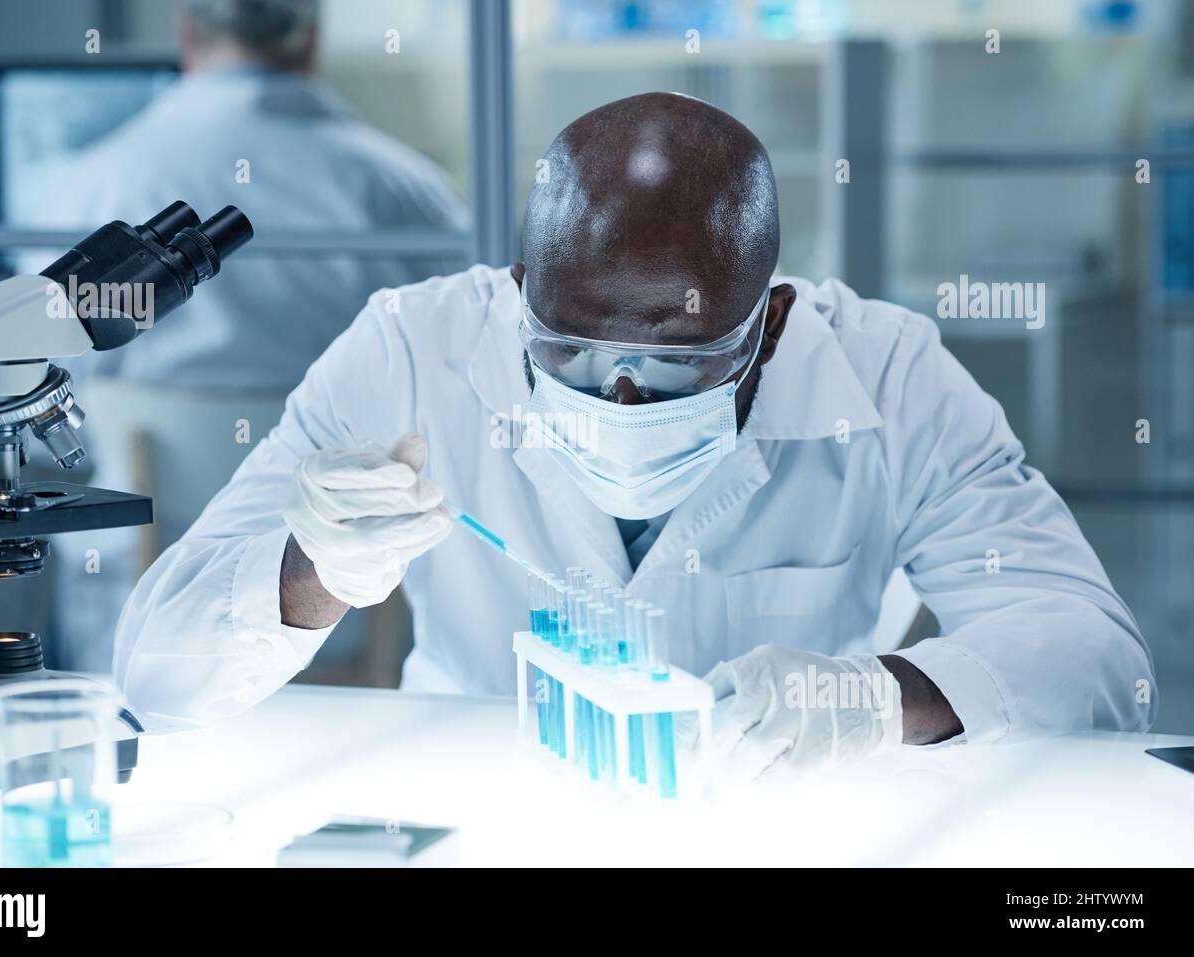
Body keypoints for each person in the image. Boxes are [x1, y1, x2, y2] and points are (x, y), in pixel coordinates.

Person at [113, 93, 1155, 777]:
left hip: (793, 824)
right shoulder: (409, 350)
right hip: (489, 818)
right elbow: (157, 680)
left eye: (676, 361)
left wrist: (880, 697)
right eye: (569, 348)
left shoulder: (889, 374)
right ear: (519, 297)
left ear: (771, 322)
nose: (616, 396)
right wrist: (312, 571)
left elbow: (1097, 658)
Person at [16, 0, 467, 672]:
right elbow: (463, 378)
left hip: (138, 596)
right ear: (311, 41)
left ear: (188, 31)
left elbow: (37, 409)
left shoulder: (79, 187)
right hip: (339, 599)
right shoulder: (407, 193)